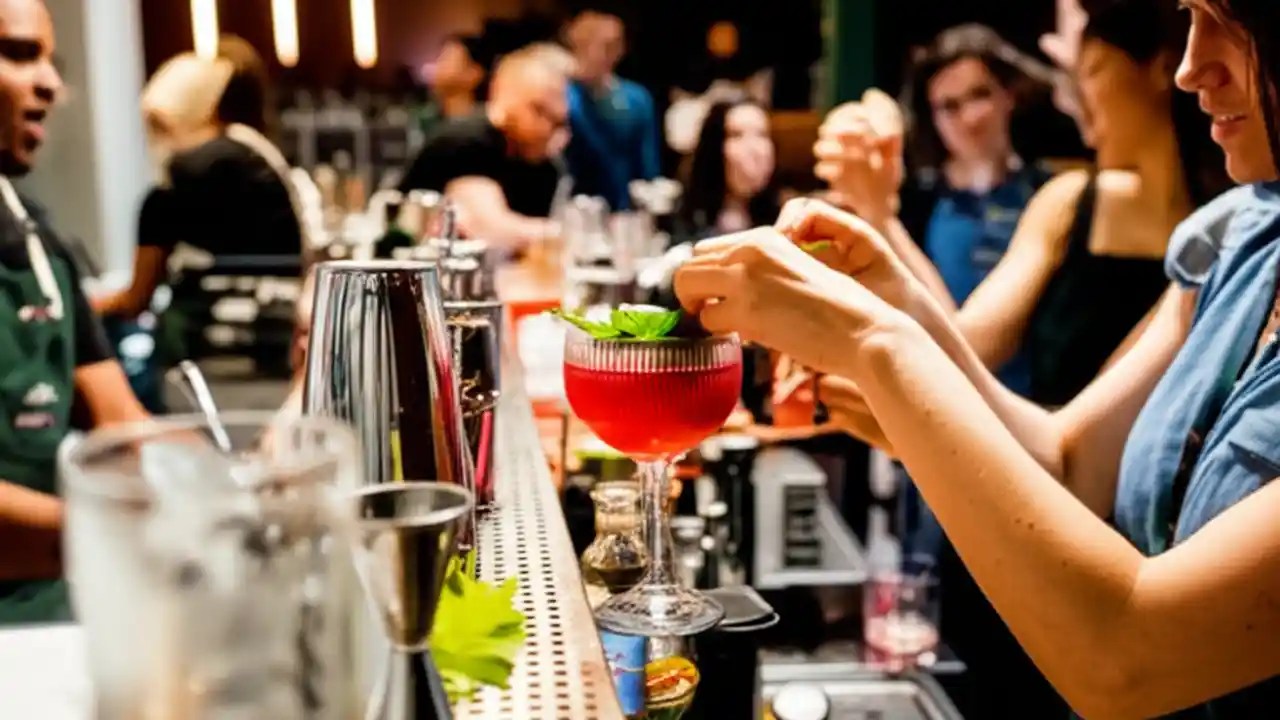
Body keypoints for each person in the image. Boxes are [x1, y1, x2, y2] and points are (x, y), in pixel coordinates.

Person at [674, 0, 1280, 715]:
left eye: (1238, 24)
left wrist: (881, 344)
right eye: (1190, 17)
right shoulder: (1243, 234)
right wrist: (900, 300)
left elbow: (1128, 656)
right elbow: (1069, 464)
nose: (1188, 68)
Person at [0, 0, 150, 625]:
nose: (52, 84)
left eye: (50, 61)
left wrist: (238, 480)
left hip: (58, 623)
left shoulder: (37, 238)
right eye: (17, 53)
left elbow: (123, 421)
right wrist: (125, 538)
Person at [94, 37, 304, 326]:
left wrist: (80, 308)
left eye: (158, 126)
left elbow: (136, 300)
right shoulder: (257, 155)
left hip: (222, 336)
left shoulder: (185, 180)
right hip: (279, 320)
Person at [398, 42, 573, 249]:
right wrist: (565, 233)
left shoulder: (543, 163)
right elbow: (490, 231)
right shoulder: (466, 142)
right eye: (539, 110)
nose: (547, 128)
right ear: (505, 97)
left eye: (557, 120)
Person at [563, 9, 659, 211]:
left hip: (624, 208)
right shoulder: (563, 96)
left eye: (612, 46)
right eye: (594, 44)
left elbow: (647, 164)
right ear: (577, 46)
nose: (602, 54)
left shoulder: (637, 99)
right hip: (573, 206)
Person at [680, 98, 779, 238]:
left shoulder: (788, 221)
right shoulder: (683, 220)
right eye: (737, 135)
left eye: (762, 134)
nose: (756, 150)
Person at [416, 33, 490, 140]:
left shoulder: (481, 129)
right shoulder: (428, 120)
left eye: (447, 59)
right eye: (439, 58)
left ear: (474, 74)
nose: (438, 68)